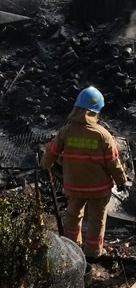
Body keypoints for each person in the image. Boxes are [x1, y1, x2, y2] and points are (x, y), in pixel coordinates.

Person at [41, 86, 127, 260]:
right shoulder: (103, 135)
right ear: (95, 111)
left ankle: (72, 250)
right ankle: (93, 253)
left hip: (74, 187)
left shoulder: (66, 131)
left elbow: (51, 152)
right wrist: (121, 180)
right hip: (99, 189)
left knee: (72, 217)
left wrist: (44, 166)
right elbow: (113, 162)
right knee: (97, 220)